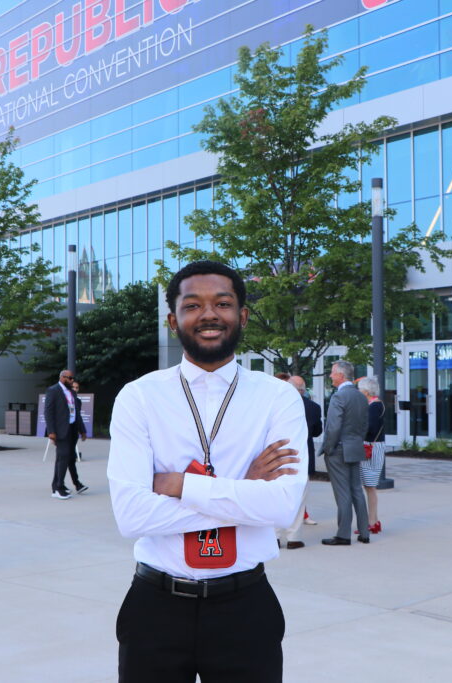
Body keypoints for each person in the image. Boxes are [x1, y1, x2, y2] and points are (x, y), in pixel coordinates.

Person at [108, 260, 306, 682]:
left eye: (223, 303)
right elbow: (132, 516)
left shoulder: (278, 398)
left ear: (243, 316)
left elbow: (282, 507)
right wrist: (244, 490)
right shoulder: (139, 397)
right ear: (173, 320)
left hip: (245, 608)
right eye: (193, 305)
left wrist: (181, 485)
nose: (209, 314)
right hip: (154, 608)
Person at [321, 360, 370, 546]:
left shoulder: (339, 397)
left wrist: (328, 448)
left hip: (339, 449)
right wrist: (356, 441)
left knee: (342, 493)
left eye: (332, 372)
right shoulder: (361, 396)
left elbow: (333, 427)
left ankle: (343, 535)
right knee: (357, 490)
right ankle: (364, 532)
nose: (330, 376)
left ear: (341, 375)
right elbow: (365, 425)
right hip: (354, 447)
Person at [45, 369, 87, 499]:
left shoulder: (71, 392)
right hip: (60, 430)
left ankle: (58, 486)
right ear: (62, 377)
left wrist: (82, 430)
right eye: (70, 378)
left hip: (72, 428)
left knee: (65, 458)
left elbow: (76, 413)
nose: (72, 381)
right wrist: (51, 431)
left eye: (73, 378)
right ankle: (58, 488)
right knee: (63, 457)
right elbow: (48, 412)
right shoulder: (53, 390)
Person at [291, 375, 323, 528]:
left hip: (284, 453)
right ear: (304, 390)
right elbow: (317, 432)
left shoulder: (280, 404)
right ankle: (297, 526)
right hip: (305, 452)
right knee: (303, 489)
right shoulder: (314, 407)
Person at [357, 376, 386, 535]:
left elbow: (370, 428)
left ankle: (372, 522)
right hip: (374, 447)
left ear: (366, 392)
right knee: (369, 486)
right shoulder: (376, 405)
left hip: (371, 448)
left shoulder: (374, 407)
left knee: (370, 486)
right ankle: (374, 521)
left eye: (360, 390)